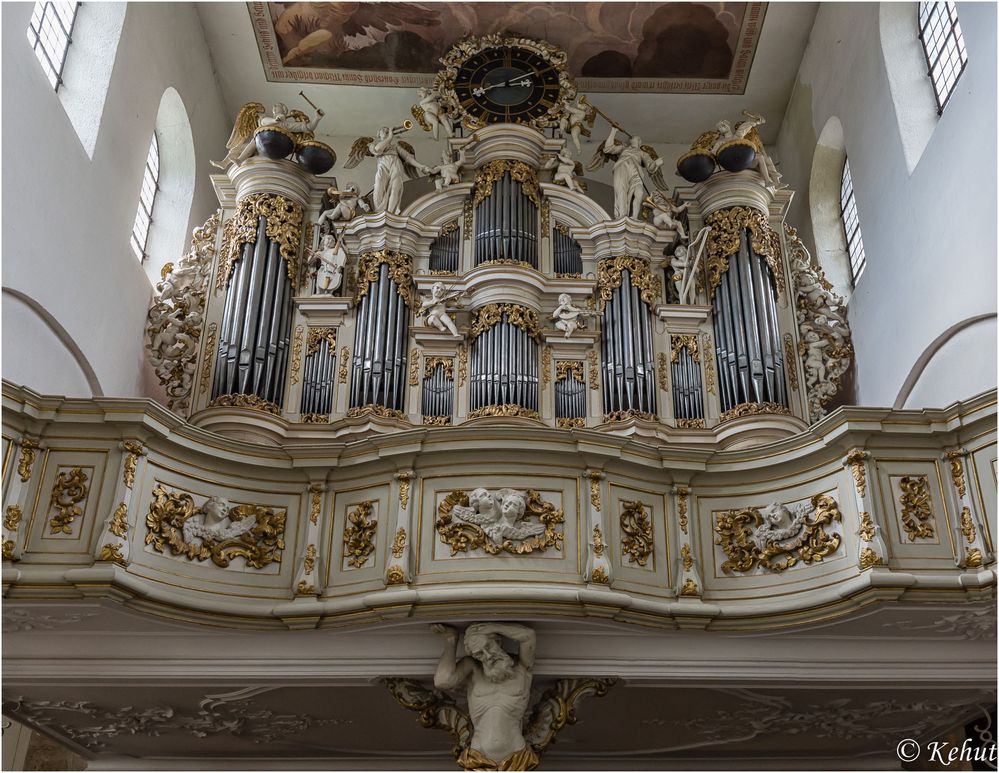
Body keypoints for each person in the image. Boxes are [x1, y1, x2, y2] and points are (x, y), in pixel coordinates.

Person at [430, 622, 538, 771]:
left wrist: (494, 627)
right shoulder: (473, 668)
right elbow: (442, 681)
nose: (487, 656)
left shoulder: (522, 667)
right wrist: (451, 641)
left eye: (488, 647)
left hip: (517, 756)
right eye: (479, 654)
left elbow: (529, 636)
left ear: (499, 641)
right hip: (478, 755)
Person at [600, 127, 663, 220]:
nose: (632, 138)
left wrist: (657, 163)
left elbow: (650, 167)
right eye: (632, 137)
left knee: (640, 193)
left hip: (636, 171)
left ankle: (634, 216)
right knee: (621, 190)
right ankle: (622, 217)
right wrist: (613, 131)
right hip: (622, 167)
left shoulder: (643, 153)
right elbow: (608, 149)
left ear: (639, 141)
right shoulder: (623, 148)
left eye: (634, 137)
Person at [370, 127, 431, 214]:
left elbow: (408, 158)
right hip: (383, 166)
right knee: (379, 184)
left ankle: (392, 212)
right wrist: (390, 137)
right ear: (378, 134)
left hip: (395, 165)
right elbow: (378, 150)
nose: (386, 131)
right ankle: (379, 212)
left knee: (396, 188)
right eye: (383, 130)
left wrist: (421, 166)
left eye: (387, 130)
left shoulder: (395, 147)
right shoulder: (373, 145)